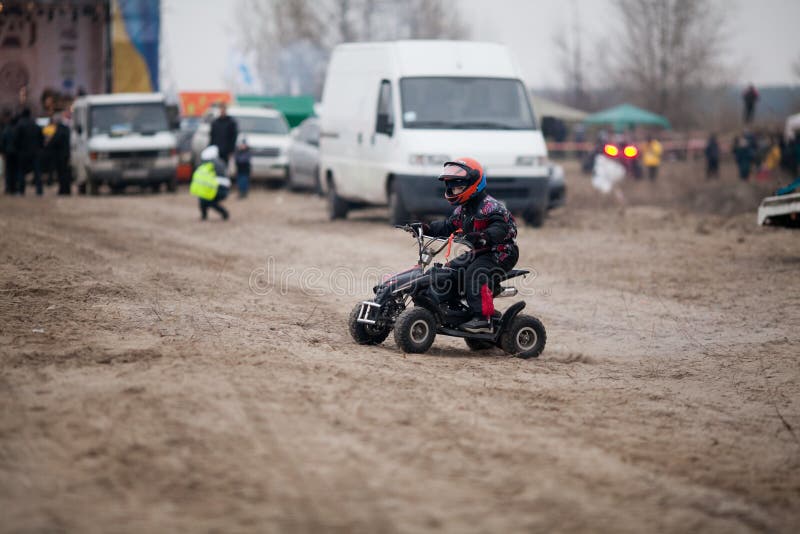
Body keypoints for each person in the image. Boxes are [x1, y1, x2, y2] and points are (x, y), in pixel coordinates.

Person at [421, 158, 518, 333]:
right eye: (452, 187)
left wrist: (485, 236)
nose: (454, 191)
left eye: (458, 187)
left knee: (475, 273)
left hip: (502, 252)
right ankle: (455, 308)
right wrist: (426, 228)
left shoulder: (491, 207)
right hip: (481, 251)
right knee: (448, 270)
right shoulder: (463, 210)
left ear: (474, 184)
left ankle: (482, 319)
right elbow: (448, 226)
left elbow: (500, 228)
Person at [190, 145, 230, 221]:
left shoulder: (215, 164)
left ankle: (224, 213)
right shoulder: (216, 163)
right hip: (213, 189)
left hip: (219, 188)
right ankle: (204, 215)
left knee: (208, 201)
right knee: (203, 200)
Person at [13, 107, 44, 196]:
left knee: (21, 172)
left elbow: (16, 139)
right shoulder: (35, 124)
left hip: (23, 152)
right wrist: (40, 148)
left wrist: (17, 149)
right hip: (35, 152)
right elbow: (41, 138)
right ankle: (39, 190)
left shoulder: (20, 125)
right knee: (37, 172)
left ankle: (21, 190)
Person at [49, 112, 71, 195]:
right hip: (66, 154)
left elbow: (54, 141)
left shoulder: (59, 130)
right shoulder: (66, 129)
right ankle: (66, 189)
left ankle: (63, 190)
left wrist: (48, 145)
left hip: (60, 155)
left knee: (61, 173)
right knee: (66, 173)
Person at [1, 108, 16, 195]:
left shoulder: (6, 129)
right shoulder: (15, 128)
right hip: (15, 152)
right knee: (14, 170)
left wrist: (2, 151)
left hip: (8, 152)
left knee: (8, 171)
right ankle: (13, 187)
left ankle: (8, 188)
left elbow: (3, 141)